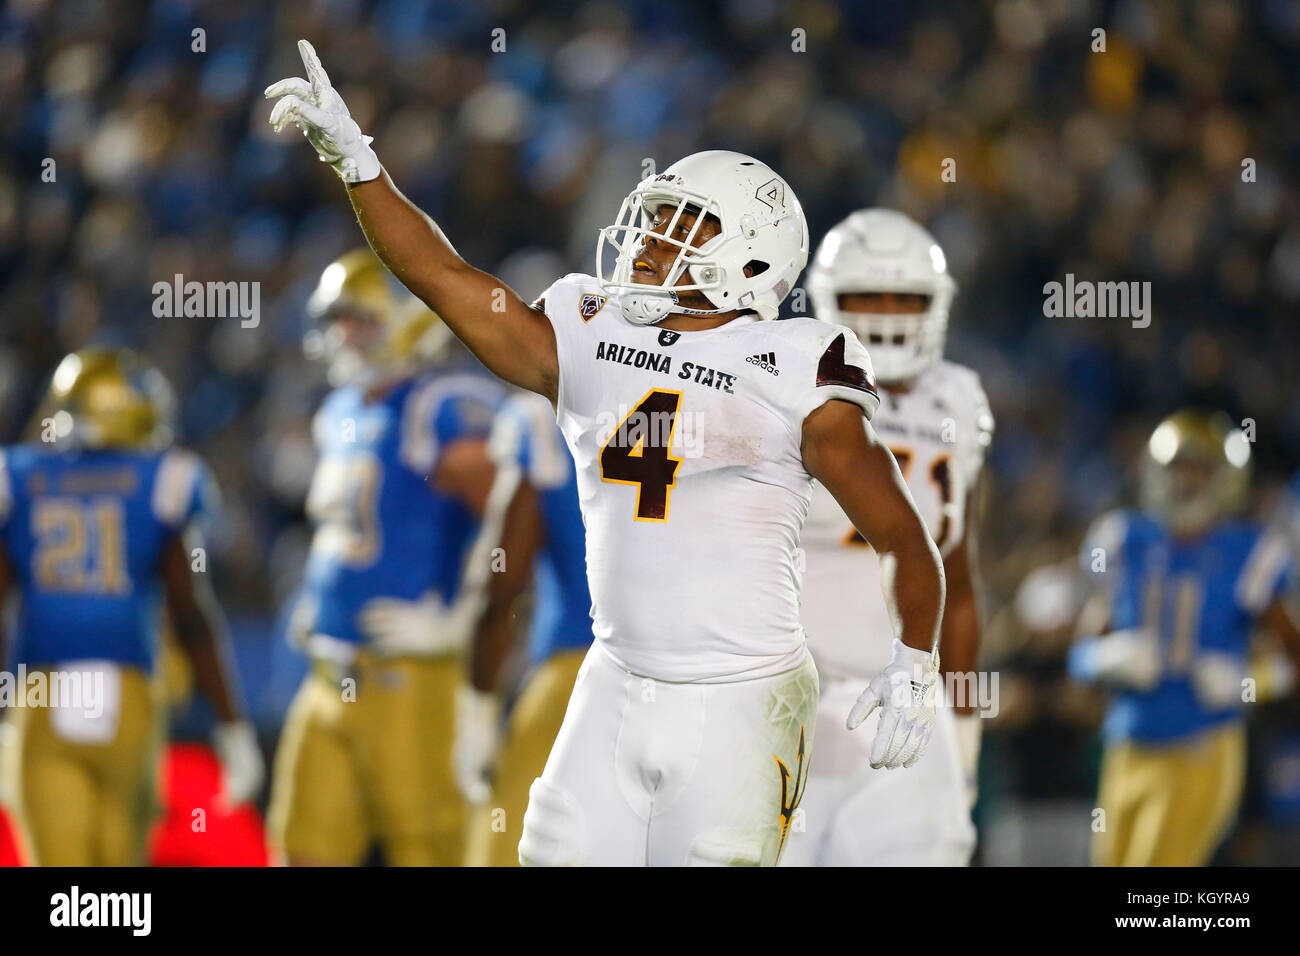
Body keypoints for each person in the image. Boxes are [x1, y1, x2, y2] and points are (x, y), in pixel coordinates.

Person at [265, 40, 946, 866]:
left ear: (752, 257)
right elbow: (442, 277)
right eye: (656, 217)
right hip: (613, 677)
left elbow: (903, 537)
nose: (650, 237)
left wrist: (914, 657)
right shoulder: (590, 329)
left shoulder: (793, 364)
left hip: (744, 695)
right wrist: (360, 163)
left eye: (681, 223)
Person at [267, 248, 502, 866]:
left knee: (428, 844)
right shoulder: (342, 410)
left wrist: (461, 620)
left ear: (408, 319)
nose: (345, 333)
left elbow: (511, 519)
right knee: (302, 842)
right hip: (328, 670)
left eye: (362, 318)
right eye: (339, 317)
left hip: (412, 671)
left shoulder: (442, 403)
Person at [783, 209, 991, 866]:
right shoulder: (781, 378)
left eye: (906, 297)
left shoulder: (958, 397)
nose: (888, 313)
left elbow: (955, 578)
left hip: (905, 708)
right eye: (867, 295)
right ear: (826, 299)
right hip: (781, 705)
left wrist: (963, 724)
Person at [0, 348, 261, 866]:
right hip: (129, 694)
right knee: (120, 876)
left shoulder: (21, 477)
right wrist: (232, 725)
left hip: (41, 690)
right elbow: (190, 615)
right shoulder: (161, 480)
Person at [1069, 410, 1300, 866]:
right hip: (1127, 746)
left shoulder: (1249, 551)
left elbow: (1294, 657)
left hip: (1202, 747)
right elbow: (1080, 654)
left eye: (1201, 470)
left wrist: (1249, 679)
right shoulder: (1125, 539)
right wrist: (1107, 658)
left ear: (1226, 479)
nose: (1188, 482)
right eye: (1178, 468)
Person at [455, 391, 594, 866]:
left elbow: (500, 585)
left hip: (581, 668)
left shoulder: (541, 420)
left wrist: (478, 709)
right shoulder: (708, 392)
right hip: (706, 667)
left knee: (506, 847)